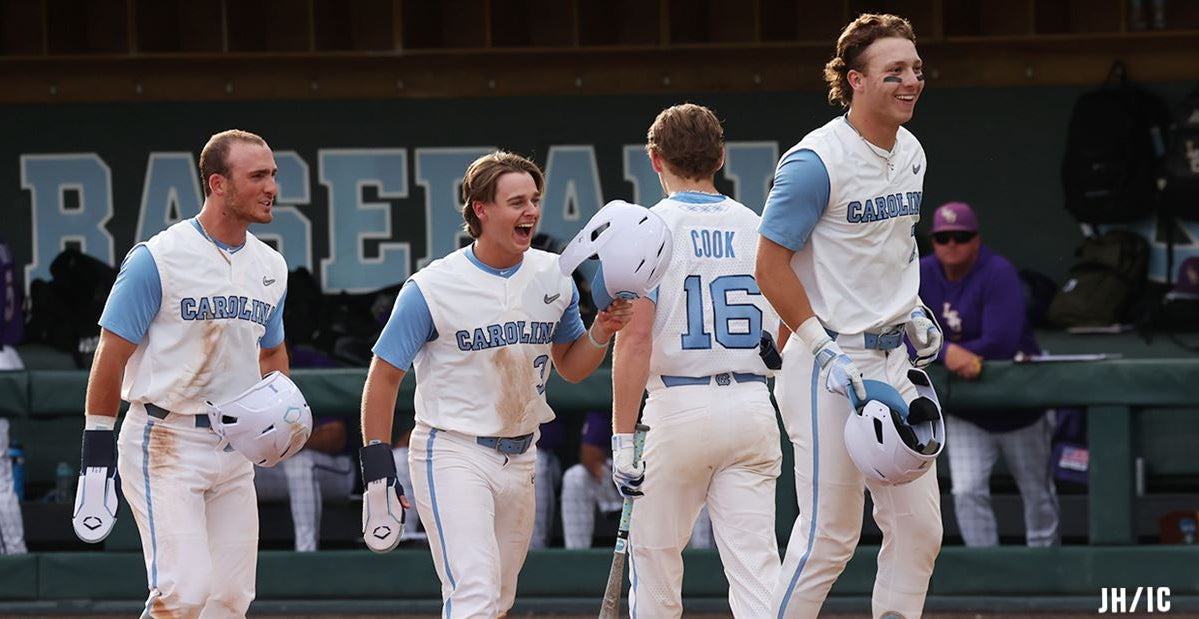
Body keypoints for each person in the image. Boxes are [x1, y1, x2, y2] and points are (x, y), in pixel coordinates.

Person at [357, 151, 633, 617]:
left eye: (534, 200)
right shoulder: (432, 287)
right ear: (481, 209)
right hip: (452, 450)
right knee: (474, 595)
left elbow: (571, 366)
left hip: (522, 454)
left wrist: (601, 331)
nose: (530, 211)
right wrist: (378, 465)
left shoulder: (555, 275)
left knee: (499, 600)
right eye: (516, 202)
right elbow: (383, 377)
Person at [755, 14, 945, 618]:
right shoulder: (815, 160)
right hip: (828, 363)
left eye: (915, 69)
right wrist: (819, 345)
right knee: (827, 539)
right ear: (853, 80)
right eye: (894, 72)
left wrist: (913, 309)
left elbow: (887, 249)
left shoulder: (911, 149)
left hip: (894, 358)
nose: (910, 81)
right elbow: (770, 265)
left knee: (919, 532)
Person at [75, 129, 290, 617]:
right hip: (163, 438)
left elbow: (272, 353)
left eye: (273, 175)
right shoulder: (158, 258)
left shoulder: (271, 266)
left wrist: (283, 411)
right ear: (218, 183)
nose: (271, 186)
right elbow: (110, 354)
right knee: (183, 592)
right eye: (257, 176)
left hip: (233, 446)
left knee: (232, 597)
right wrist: (95, 451)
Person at [611, 102, 782, 617]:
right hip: (752, 403)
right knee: (757, 570)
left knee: (656, 562)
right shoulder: (758, 225)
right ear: (721, 157)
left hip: (678, 405)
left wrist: (622, 438)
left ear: (655, 159)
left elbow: (635, 341)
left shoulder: (647, 227)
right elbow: (795, 317)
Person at [920, 201, 1060, 547]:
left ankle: (1044, 567)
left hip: (1020, 409)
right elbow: (904, 332)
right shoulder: (922, 272)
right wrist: (945, 351)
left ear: (976, 240)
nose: (952, 244)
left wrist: (949, 348)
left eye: (961, 236)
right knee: (966, 490)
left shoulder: (997, 271)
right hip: (968, 411)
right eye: (943, 237)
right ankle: (986, 568)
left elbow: (1002, 339)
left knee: (1037, 493)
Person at [562, 409, 713, 551]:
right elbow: (589, 453)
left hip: (661, 479)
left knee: (700, 476)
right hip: (619, 482)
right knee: (575, 476)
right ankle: (575, 557)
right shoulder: (617, 398)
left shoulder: (669, 400)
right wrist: (621, 476)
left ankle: (701, 555)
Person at [253, 416, 357, 552]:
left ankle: (306, 551)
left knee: (299, 465)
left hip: (335, 470)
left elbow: (336, 436)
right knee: (238, 468)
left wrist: (287, 444)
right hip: (275, 466)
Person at [530, 417, 565, 549]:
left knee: (537, 466)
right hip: (492, 453)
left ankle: (537, 548)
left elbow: (554, 435)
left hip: (539, 455)